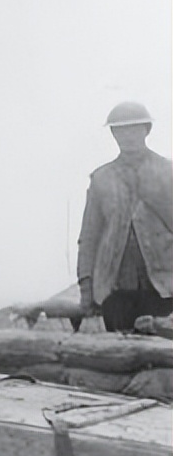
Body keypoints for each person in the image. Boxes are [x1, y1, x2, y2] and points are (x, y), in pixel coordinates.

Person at [76, 101, 173, 332]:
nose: (127, 136)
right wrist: (87, 288)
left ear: (146, 130)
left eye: (134, 129)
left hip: (164, 288)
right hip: (114, 291)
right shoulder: (101, 179)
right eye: (120, 130)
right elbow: (89, 237)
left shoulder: (168, 172)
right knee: (120, 354)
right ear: (113, 134)